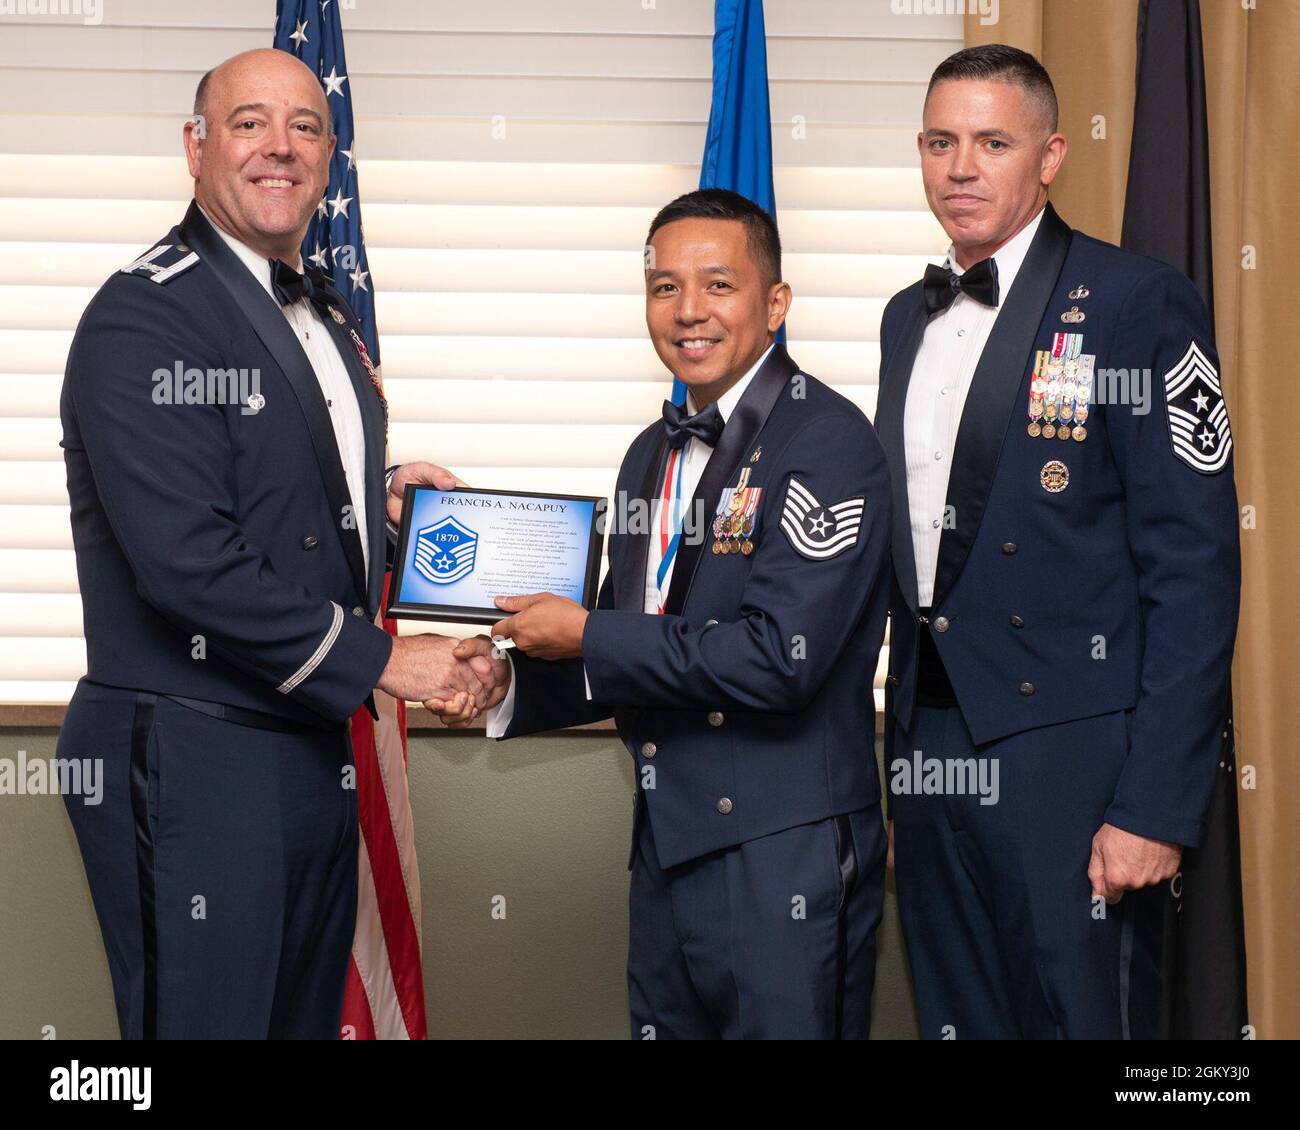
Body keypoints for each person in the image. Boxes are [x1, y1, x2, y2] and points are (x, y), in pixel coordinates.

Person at [58, 48, 484, 1039]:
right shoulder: (146, 314)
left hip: (299, 740)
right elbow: (182, 557)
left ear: (329, 151)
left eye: (304, 126)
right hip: (193, 746)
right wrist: (389, 661)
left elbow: (255, 483)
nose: (279, 148)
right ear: (196, 148)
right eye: (249, 123)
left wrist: (374, 502)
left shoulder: (319, 310)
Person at [443, 189, 893, 1039]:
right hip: (666, 842)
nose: (688, 311)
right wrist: (507, 682)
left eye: (718, 285)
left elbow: (777, 660)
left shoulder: (829, 441)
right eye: (663, 287)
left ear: (776, 303)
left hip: (781, 853)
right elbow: (633, 645)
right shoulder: (647, 454)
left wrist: (585, 632)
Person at [875, 44, 1240, 1039]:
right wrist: (902, 774)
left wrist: (1157, 804)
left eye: (993, 141)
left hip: (1076, 756)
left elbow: (1195, 569)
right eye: (941, 141)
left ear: (1049, 156)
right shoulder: (903, 317)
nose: (962, 167)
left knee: (1088, 1026)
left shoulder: (1136, 302)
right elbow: (909, 562)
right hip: (934, 747)